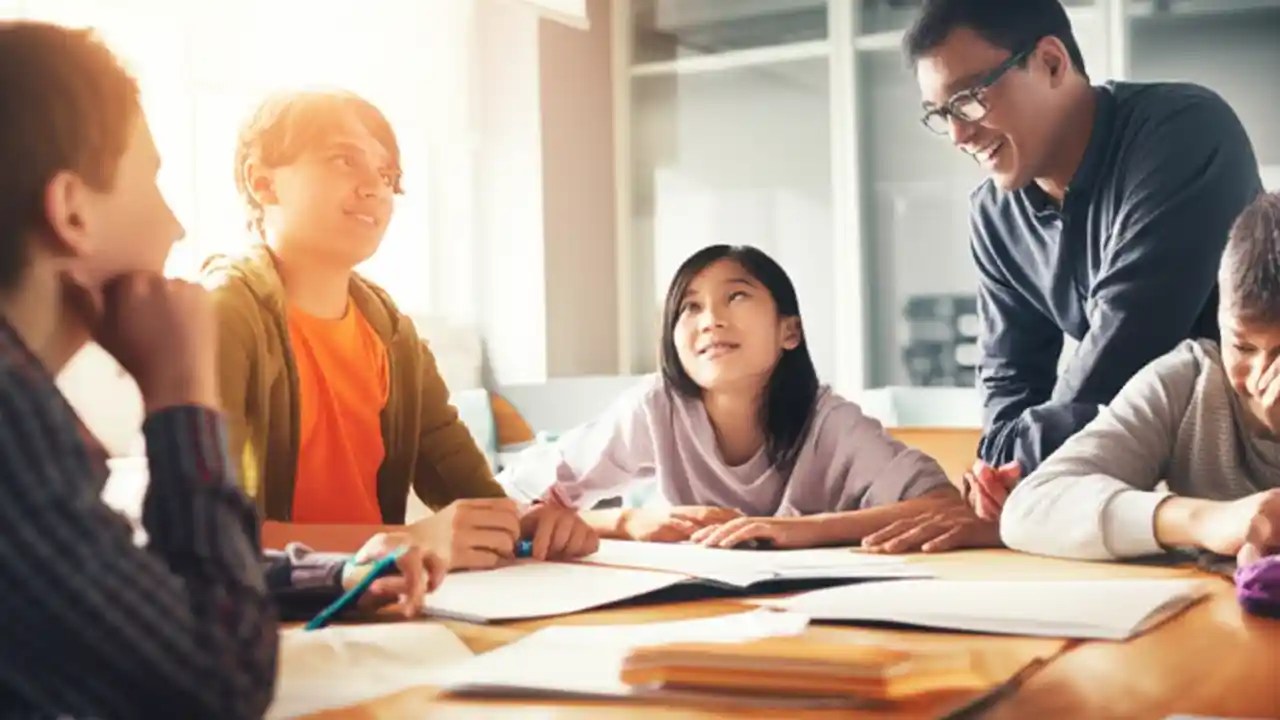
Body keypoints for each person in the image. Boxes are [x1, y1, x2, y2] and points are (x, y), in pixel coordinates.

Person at [0, 21, 440, 718]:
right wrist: (182, 399)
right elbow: (219, 681)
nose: (176, 226)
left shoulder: (27, 404)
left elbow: (131, 587)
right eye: (150, 179)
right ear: (72, 211)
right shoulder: (12, 429)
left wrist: (334, 574)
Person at [203, 90, 597, 566]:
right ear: (263, 183)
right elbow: (213, 533)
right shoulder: (221, 314)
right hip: (273, 612)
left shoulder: (392, 335)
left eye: (388, 175)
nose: (375, 187)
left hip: (384, 598)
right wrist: (410, 538)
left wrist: (525, 520)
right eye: (343, 160)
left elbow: (469, 489)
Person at [905, 0, 1262, 518]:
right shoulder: (994, 214)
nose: (959, 136)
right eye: (942, 115)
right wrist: (998, 475)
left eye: (969, 101)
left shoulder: (1184, 131)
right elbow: (1008, 381)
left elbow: (1127, 344)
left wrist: (1021, 471)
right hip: (1131, 489)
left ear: (1051, 62)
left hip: (1250, 458)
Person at [501, 245, 998, 552]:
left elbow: (940, 504)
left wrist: (798, 531)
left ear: (789, 331)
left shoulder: (830, 423)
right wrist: (627, 520)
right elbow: (509, 497)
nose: (709, 319)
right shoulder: (656, 408)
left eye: (735, 297)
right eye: (689, 307)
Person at [1001, 192, 1280, 566]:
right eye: (1243, 347)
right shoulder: (1187, 384)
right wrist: (1207, 520)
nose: (1262, 377)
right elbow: (1030, 509)